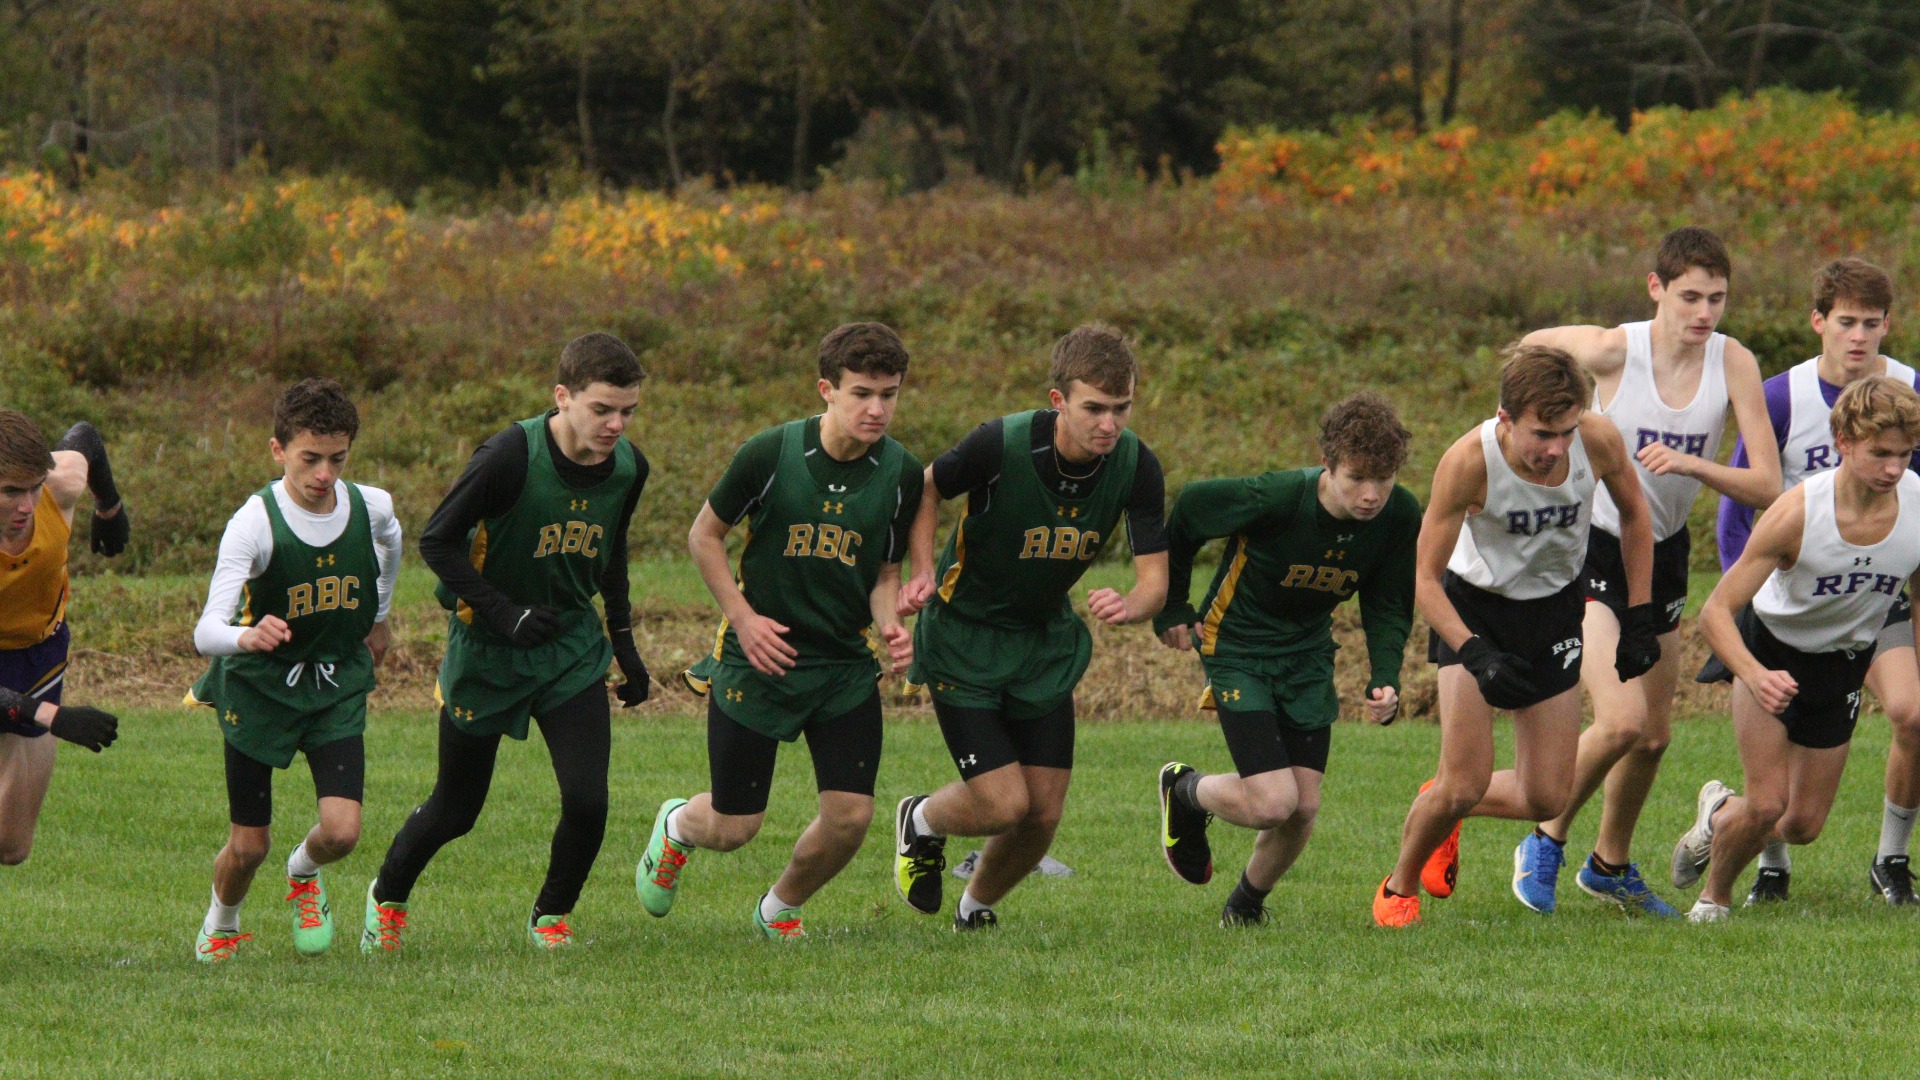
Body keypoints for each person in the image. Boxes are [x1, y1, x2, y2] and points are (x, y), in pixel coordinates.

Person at [1506, 227, 1779, 916]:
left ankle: (1610, 865)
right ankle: (1546, 837)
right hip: (1589, 547)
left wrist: (1692, 464)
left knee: (1655, 735)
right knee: (1623, 719)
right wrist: (1530, 443)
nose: (1704, 312)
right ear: (1656, 289)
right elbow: (1523, 356)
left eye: (1717, 298)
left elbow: (1768, 484)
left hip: (1662, 555)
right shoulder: (1612, 348)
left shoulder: (1733, 362)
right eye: (1690, 296)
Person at [364, 332, 652, 953]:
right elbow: (437, 541)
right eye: (601, 409)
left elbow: (612, 553)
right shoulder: (508, 456)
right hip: (488, 648)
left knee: (587, 799)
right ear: (562, 397)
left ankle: (551, 916)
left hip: (569, 647)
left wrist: (623, 642)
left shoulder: (629, 468)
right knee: (456, 810)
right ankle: (385, 898)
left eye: (627, 410)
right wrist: (503, 613)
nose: (616, 424)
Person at [636, 324, 922, 939]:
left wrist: (891, 625)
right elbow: (702, 536)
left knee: (851, 816)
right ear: (826, 389)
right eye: (862, 393)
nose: (878, 409)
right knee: (736, 827)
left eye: (890, 394)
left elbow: (884, 573)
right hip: (756, 658)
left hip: (842, 664)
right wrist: (743, 617)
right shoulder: (770, 453)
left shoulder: (902, 473)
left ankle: (780, 908)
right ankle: (679, 827)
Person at [892, 323, 1169, 929]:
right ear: (1058, 401)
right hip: (964, 637)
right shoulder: (1001, 444)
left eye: (1121, 408)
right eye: (1094, 408)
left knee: (1042, 816)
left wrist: (1133, 605)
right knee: (1003, 804)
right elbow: (925, 488)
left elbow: (1154, 581)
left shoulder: (1135, 465)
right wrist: (919, 571)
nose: (1109, 424)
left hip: (1042, 645)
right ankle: (921, 820)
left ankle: (976, 906)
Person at [1373, 343, 1658, 928]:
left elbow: (1634, 515)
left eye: (1566, 432)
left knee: (1547, 797)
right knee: (1464, 779)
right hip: (1474, 613)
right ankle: (1399, 887)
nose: (1556, 450)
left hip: (1554, 612)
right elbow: (1424, 580)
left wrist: (1640, 614)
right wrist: (1475, 654)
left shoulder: (1597, 441)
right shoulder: (1468, 462)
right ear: (1505, 418)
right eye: (1542, 433)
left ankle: (1449, 802)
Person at [1152, 392, 1418, 927]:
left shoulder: (1399, 515)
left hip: (1307, 654)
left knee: (1304, 807)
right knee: (1273, 802)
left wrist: (1385, 675)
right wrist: (1172, 605)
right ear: (1327, 466)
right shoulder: (1277, 497)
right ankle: (1185, 791)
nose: (1371, 496)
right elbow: (1189, 512)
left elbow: (1388, 601)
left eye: (1383, 480)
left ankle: (1245, 905)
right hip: (1238, 646)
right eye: (1356, 480)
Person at [1711, 257, 1920, 906]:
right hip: (1795, 592)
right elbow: (1740, 505)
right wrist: (1745, 595)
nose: (1858, 336)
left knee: (1912, 714)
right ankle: (1765, 858)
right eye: (1846, 322)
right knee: (1781, 799)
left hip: (1879, 592)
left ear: (1889, 325)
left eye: (1872, 323)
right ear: (1819, 323)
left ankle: (1891, 858)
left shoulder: (1912, 396)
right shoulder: (1782, 396)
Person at [186, 379, 402, 962]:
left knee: (342, 833)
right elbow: (206, 631)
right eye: (310, 458)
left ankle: (303, 874)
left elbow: (391, 539)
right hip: (258, 692)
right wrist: (245, 635)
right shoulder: (253, 523)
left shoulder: (370, 505)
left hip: (332, 684)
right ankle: (222, 922)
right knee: (248, 846)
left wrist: (379, 615)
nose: (325, 474)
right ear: (279, 450)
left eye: (338, 459)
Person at [0, 411, 125, 866]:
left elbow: (85, 438)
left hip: (39, 655)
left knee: (11, 846)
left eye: (33, 487)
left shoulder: (59, 487)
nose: (27, 506)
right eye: (11, 491)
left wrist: (109, 508)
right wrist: (52, 716)